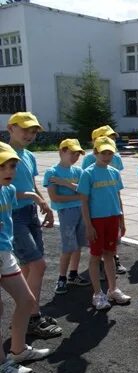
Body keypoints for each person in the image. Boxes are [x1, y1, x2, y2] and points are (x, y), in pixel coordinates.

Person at [6, 112, 61, 339]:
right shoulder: (3, 154)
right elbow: (4, 190)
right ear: (11, 128)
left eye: (33, 131)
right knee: (38, 265)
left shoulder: (28, 155)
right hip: (12, 215)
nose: (29, 135)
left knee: (29, 267)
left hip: (29, 212)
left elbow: (31, 184)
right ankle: (33, 317)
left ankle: (25, 316)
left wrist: (44, 205)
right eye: (25, 129)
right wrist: (32, 195)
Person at [0, 142, 52, 373]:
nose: (8, 171)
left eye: (11, 166)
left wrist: (34, 196)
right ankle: (3, 365)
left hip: (5, 253)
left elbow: (19, 195)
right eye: (2, 166)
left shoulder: (8, 190)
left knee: (25, 300)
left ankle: (18, 351)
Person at [78, 136, 131, 310]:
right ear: (95, 153)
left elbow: (118, 197)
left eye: (110, 153)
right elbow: (84, 202)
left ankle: (113, 289)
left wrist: (122, 222)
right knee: (95, 256)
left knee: (110, 254)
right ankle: (97, 294)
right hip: (97, 220)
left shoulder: (114, 172)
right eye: (104, 153)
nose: (107, 156)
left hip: (113, 219)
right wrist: (88, 225)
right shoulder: (88, 173)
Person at [43, 139, 91, 295]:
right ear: (62, 151)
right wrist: (78, 196)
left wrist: (65, 183)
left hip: (81, 211)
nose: (75, 157)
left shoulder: (78, 172)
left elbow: (85, 191)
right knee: (68, 247)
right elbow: (55, 197)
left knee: (77, 246)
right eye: (72, 153)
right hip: (66, 213)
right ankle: (62, 278)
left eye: (78, 154)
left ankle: (73, 274)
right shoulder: (52, 172)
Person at [82, 125, 127, 274]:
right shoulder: (89, 163)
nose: (112, 139)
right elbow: (86, 195)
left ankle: (114, 260)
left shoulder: (115, 161)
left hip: (112, 212)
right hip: (97, 214)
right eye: (108, 137)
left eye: (113, 137)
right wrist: (88, 224)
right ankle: (101, 266)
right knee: (97, 252)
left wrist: (122, 218)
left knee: (111, 247)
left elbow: (115, 190)